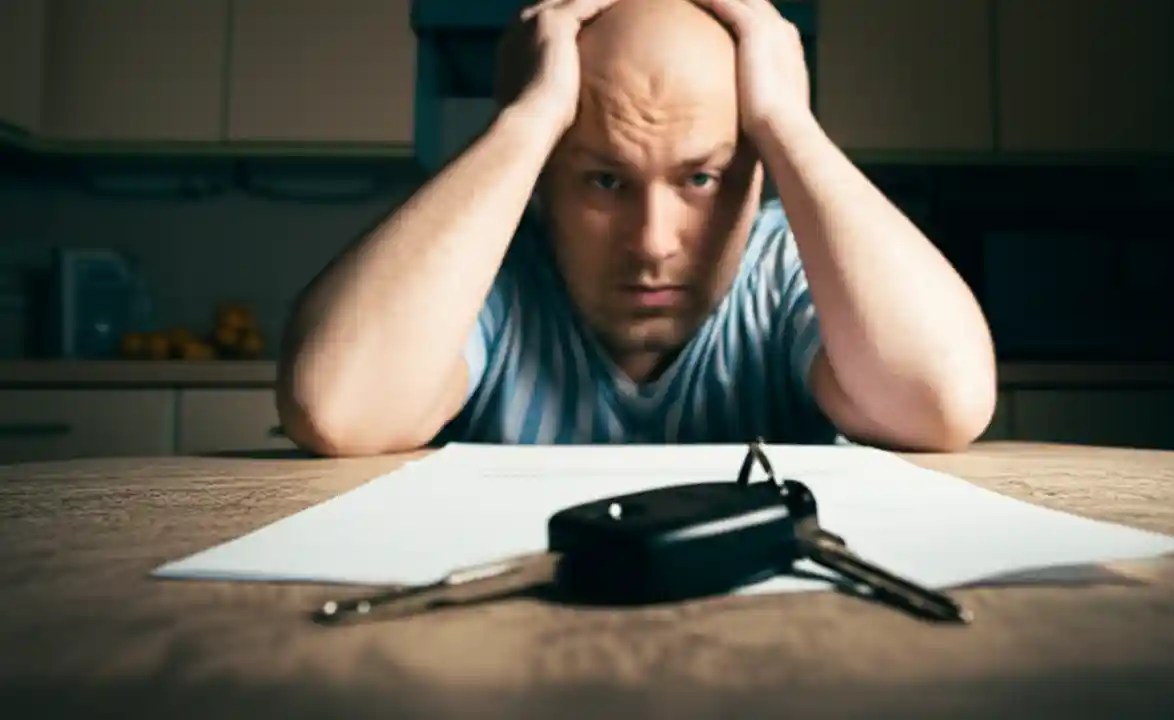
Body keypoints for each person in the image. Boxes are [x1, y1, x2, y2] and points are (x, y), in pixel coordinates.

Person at [275, 0, 997, 455]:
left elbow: (942, 405)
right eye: (605, 180)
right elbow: (337, 408)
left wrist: (789, 124)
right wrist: (524, 121)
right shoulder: (488, 277)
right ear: (542, 179)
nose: (654, 242)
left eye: (701, 178)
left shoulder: (784, 268)